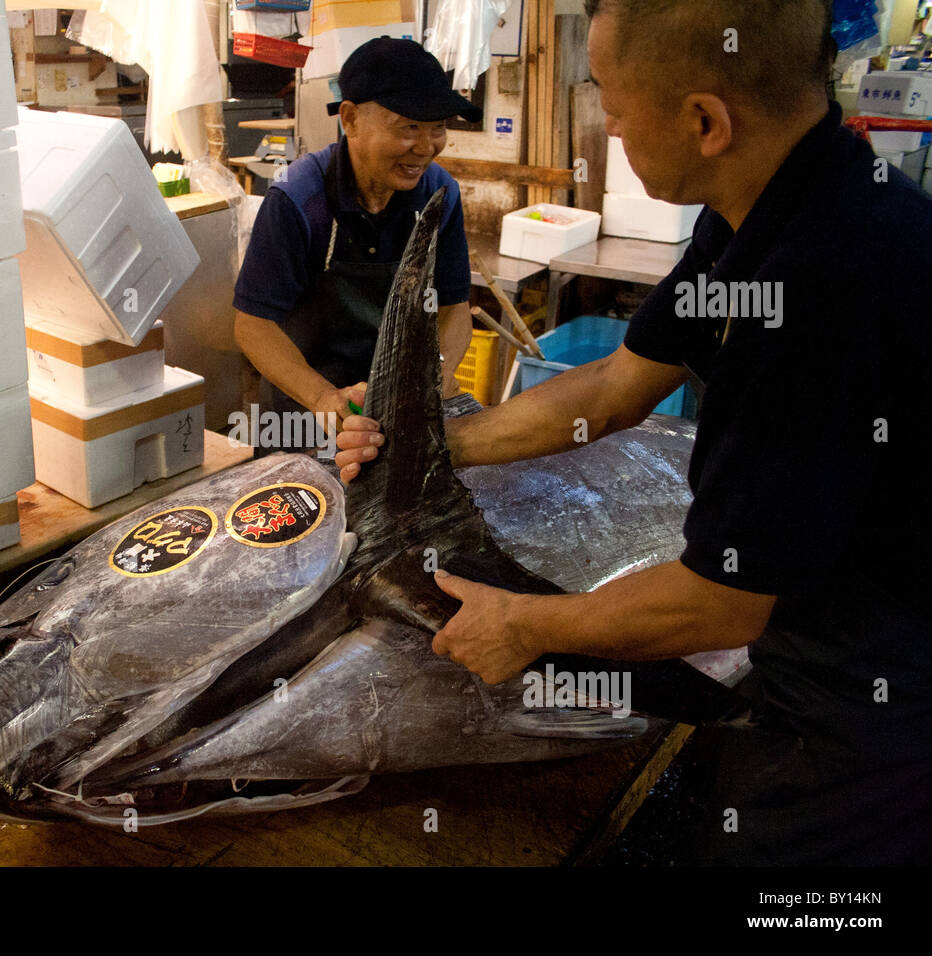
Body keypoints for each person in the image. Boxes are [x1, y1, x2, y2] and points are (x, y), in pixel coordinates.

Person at [337, 0, 932, 865]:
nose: (609, 128)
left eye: (613, 107)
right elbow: (618, 387)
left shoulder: (822, 285)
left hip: (878, 711)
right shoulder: (758, 210)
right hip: (820, 642)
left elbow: (724, 598)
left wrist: (531, 627)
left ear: (704, 121)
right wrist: (435, 447)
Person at [233, 38, 479, 442]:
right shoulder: (298, 200)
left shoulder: (440, 196)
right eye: (409, 127)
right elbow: (253, 325)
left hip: (399, 410)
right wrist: (323, 398)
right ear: (350, 120)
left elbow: (454, 308)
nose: (425, 146)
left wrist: (432, 375)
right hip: (305, 412)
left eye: (438, 128)